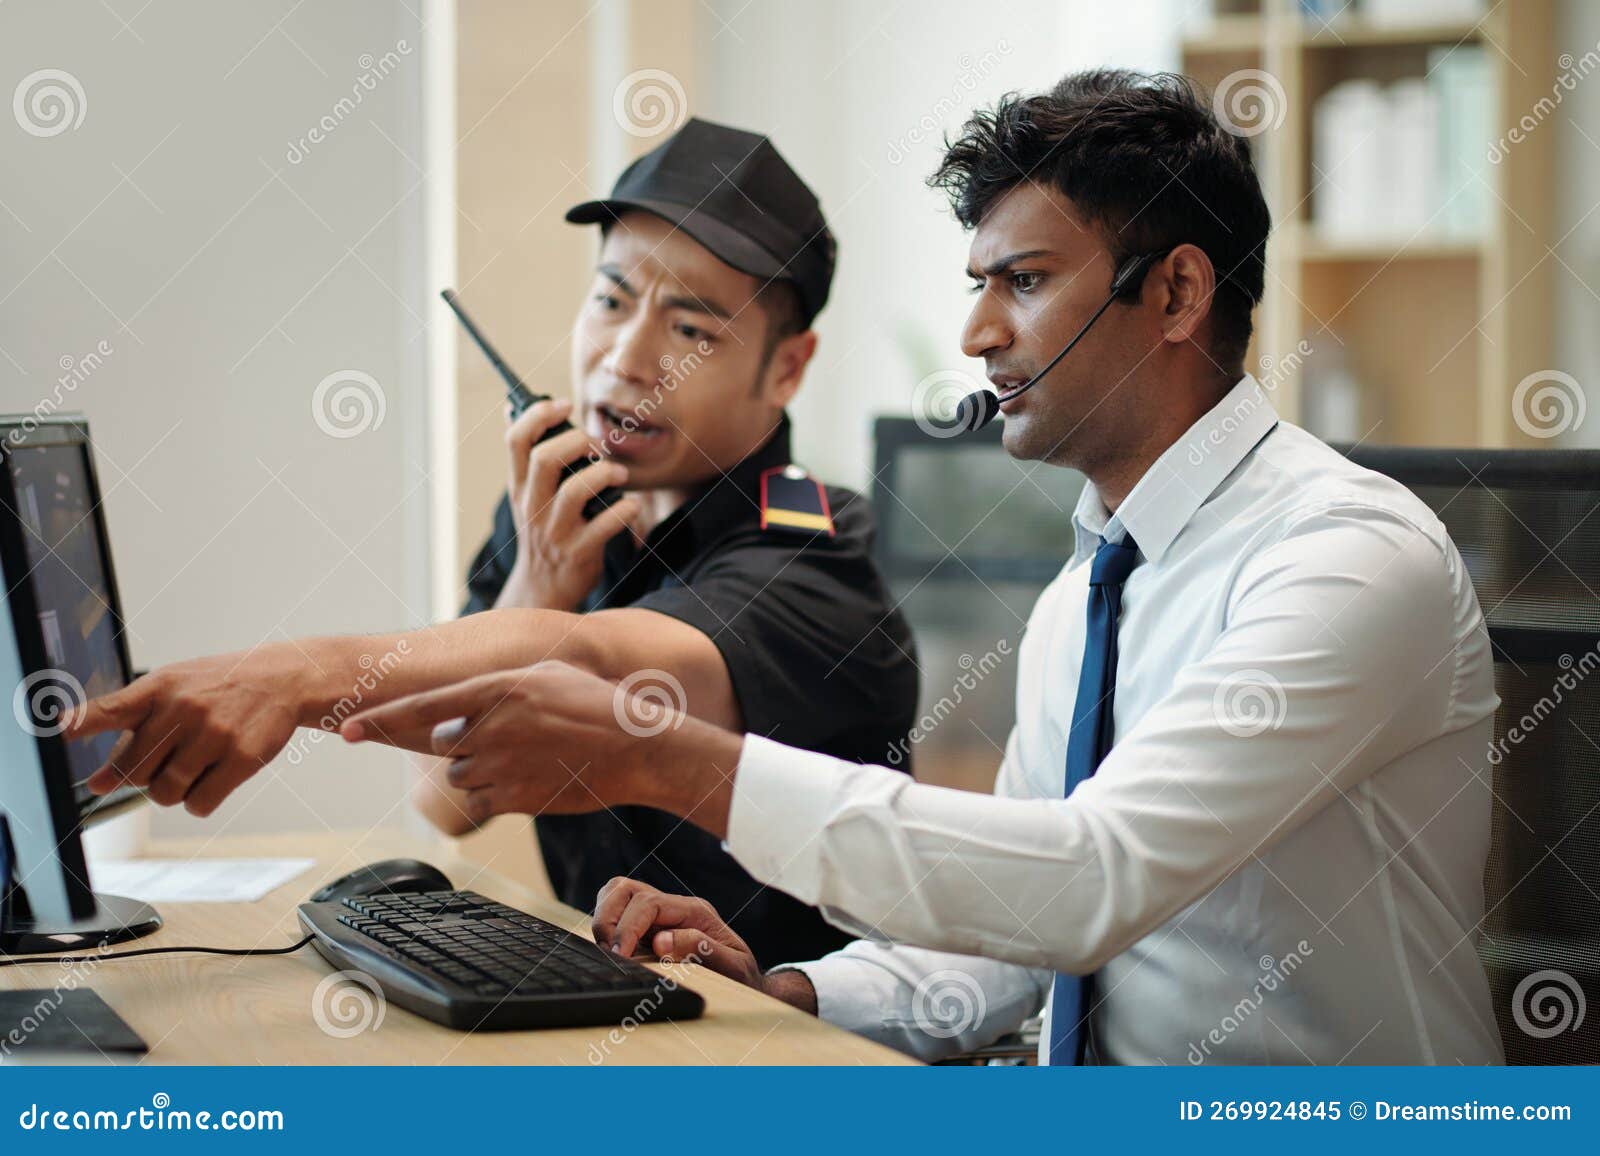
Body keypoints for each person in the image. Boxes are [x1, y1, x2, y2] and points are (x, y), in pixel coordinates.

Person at [336, 71, 1505, 1065]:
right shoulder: (1087, 592)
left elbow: (1089, 879)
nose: (977, 334)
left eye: (1027, 282)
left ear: (1177, 293)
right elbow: (1019, 932)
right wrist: (794, 989)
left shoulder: (1346, 560)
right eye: (976, 285)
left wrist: (660, 753)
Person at [71, 117, 919, 969]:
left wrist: (291, 676)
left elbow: (601, 660)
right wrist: (538, 584)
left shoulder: (814, 546)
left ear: (786, 368)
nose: (626, 358)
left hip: (794, 1050)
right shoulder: (558, 511)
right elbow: (446, 801)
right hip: (616, 1023)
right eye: (612, 300)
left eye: (692, 331)